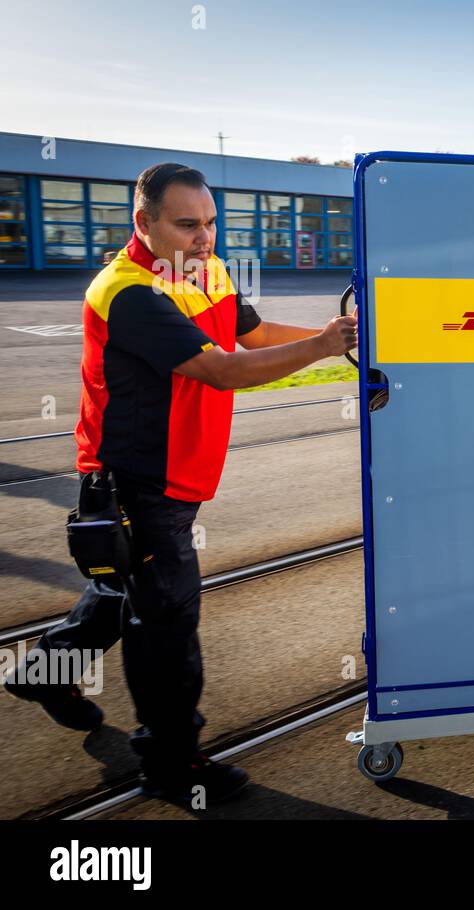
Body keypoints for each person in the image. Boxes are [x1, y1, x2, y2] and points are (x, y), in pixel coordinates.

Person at [3, 162, 357, 805]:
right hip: (139, 481)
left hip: (182, 471)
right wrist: (322, 348)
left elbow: (250, 337)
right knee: (165, 620)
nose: (205, 237)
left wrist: (340, 337)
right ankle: (170, 764)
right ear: (145, 222)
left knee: (123, 595)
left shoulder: (208, 271)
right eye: (187, 224)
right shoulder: (130, 292)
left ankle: (42, 672)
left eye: (211, 222)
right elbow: (221, 370)